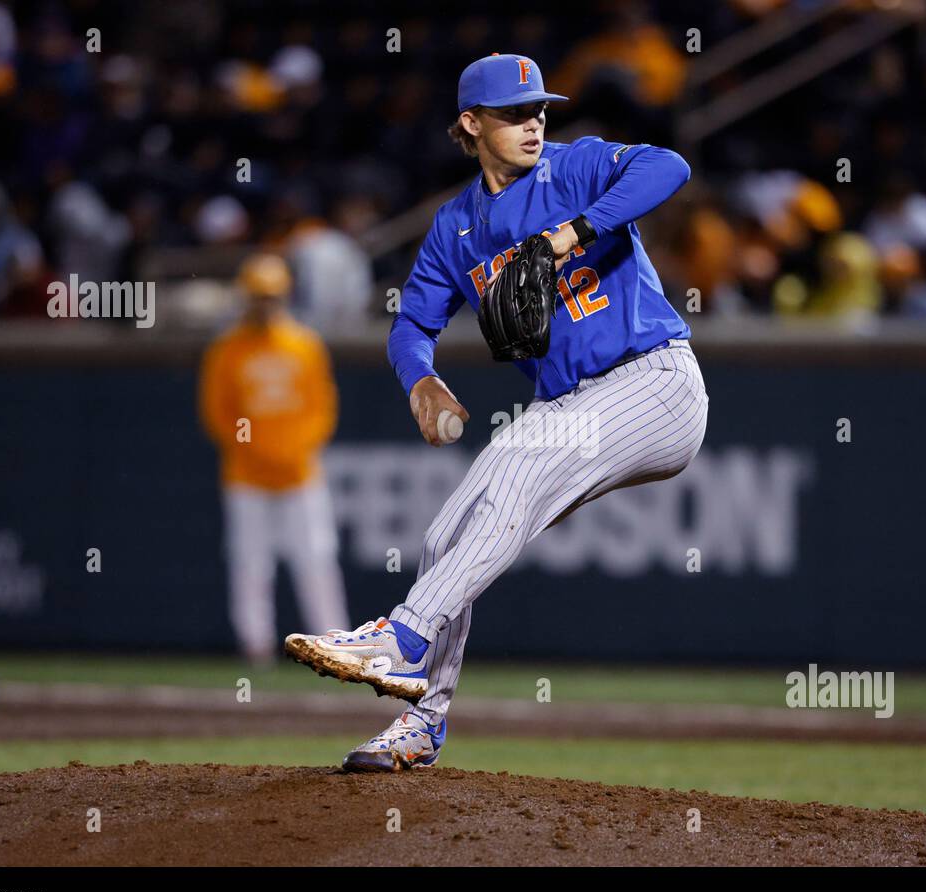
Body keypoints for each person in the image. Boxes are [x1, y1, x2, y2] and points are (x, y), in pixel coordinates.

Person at [286, 54, 708, 771]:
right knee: (447, 534)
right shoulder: (456, 228)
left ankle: (405, 636)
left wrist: (573, 231)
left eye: (539, 109)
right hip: (570, 401)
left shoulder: (572, 169)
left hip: (657, 382)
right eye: (514, 113)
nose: (533, 123)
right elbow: (410, 325)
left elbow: (668, 167)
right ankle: (423, 723)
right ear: (471, 124)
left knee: (511, 468)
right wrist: (419, 379)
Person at [199, 253, 349, 665]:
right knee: (251, 565)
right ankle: (256, 647)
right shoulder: (227, 349)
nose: (265, 305)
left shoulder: (304, 344)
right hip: (247, 475)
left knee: (316, 560)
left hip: (299, 473)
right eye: (258, 297)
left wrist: (295, 449)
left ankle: (333, 650)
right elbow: (217, 412)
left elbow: (322, 408)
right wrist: (257, 450)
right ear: (245, 297)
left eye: (272, 297)